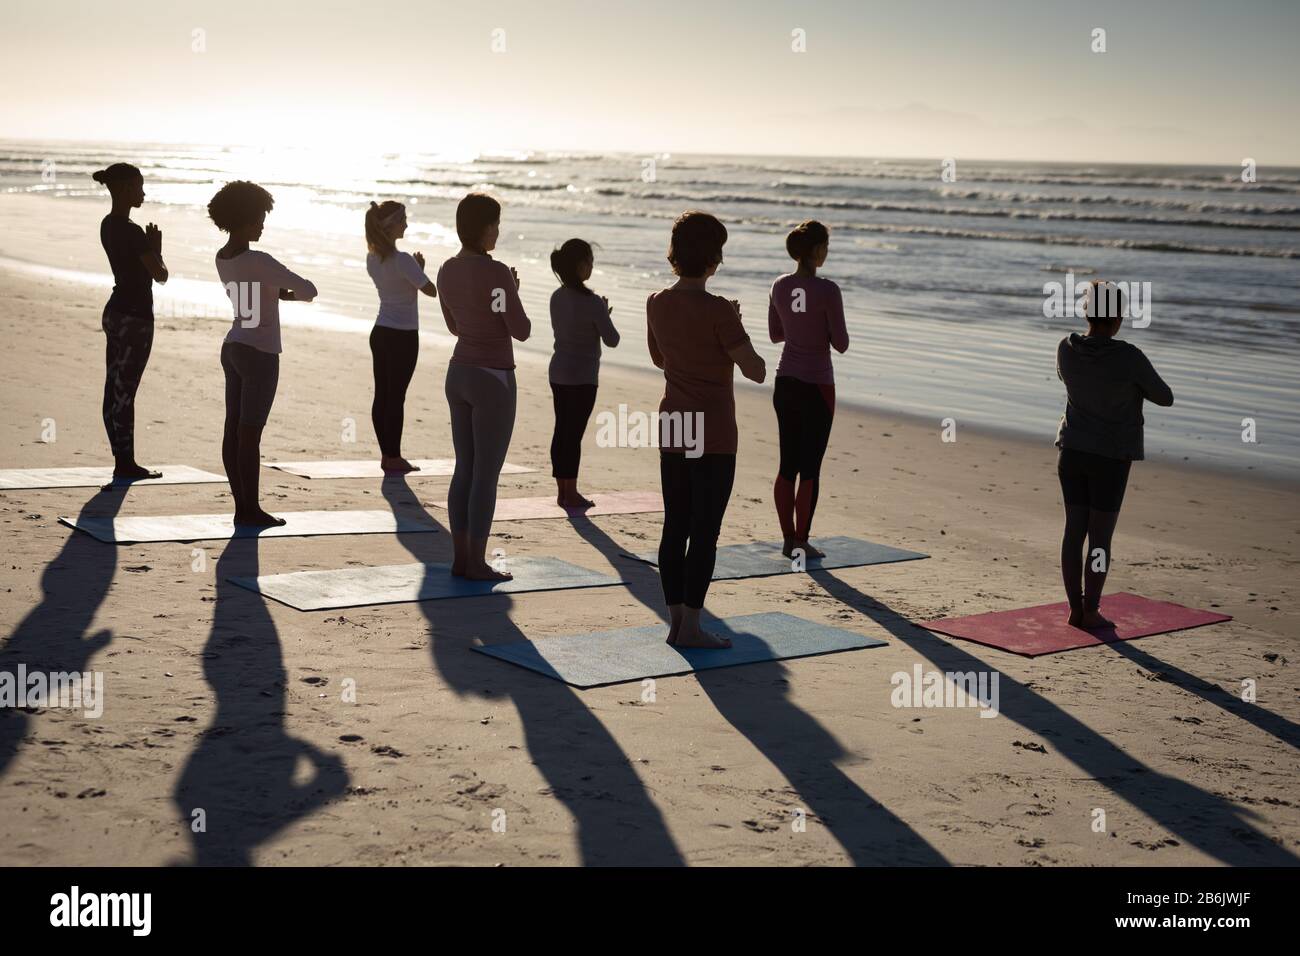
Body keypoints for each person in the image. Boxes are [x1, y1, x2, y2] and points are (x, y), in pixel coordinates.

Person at [647, 211, 766, 648]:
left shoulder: (656, 301)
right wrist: (734, 323)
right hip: (713, 433)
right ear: (714, 257)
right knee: (705, 530)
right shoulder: (719, 310)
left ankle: (677, 622)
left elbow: (661, 360)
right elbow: (755, 370)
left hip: (675, 425)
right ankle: (692, 627)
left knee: (675, 524)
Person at [1055, 280, 1173, 628]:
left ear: (1086, 312)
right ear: (1118, 316)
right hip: (1110, 456)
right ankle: (1091, 610)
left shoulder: (1066, 348)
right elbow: (1165, 397)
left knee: (1074, 530)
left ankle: (1074, 609)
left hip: (1072, 449)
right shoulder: (1129, 357)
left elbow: (1067, 379)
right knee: (1100, 537)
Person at [209, 181, 318, 527]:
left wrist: (274, 293)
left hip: (234, 346)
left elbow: (251, 294)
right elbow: (309, 290)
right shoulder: (259, 260)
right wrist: (284, 294)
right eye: (259, 218)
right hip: (260, 353)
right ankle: (249, 510)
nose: (262, 224)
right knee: (250, 434)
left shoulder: (222, 257)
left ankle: (241, 505)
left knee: (233, 431)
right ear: (244, 218)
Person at [436, 193, 530, 580]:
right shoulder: (498, 273)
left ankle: (461, 558)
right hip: (493, 378)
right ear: (481, 228)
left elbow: (455, 326)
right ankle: (476, 562)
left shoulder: (445, 269)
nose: (498, 231)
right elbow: (521, 330)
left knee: (465, 470)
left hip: (459, 373)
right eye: (495, 224)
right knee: (485, 475)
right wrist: (513, 292)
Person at [767, 219, 849, 558]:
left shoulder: (779, 285)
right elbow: (841, 343)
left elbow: (775, 334)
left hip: (785, 381)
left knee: (788, 464)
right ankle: (802, 540)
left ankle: (788, 539)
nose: (826, 252)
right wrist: (822, 329)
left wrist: (800, 328)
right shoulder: (828, 290)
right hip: (817, 385)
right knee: (810, 467)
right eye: (825, 246)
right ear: (817, 251)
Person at [92, 163, 169, 482]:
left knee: (113, 387)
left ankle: (120, 456)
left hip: (115, 311)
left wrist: (149, 249)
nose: (143, 192)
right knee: (125, 391)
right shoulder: (133, 232)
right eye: (138, 187)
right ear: (124, 189)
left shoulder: (107, 225)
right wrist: (157, 250)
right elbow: (160, 275)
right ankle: (125, 462)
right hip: (135, 316)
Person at [364, 200, 437, 474]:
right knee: (396, 397)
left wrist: (414, 270)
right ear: (390, 226)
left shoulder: (373, 258)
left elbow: (398, 285)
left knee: (383, 395)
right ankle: (393, 457)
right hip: (403, 337)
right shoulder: (403, 260)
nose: (406, 224)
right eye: (402, 220)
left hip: (381, 331)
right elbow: (431, 290)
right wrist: (420, 269)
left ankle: (388, 455)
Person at [548, 238, 620, 507]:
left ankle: (562, 491)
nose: (592, 267)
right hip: (582, 377)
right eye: (590, 262)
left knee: (561, 430)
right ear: (581, 267)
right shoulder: (593, 302)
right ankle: (571, 491)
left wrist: (600, 315)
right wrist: (604, 315)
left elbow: (569, 327)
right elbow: (612, 339)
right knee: (574, 434)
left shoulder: (557, 296)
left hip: (558, 372)